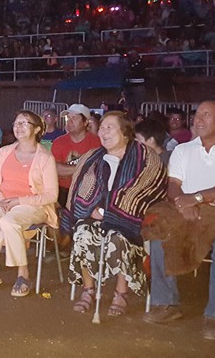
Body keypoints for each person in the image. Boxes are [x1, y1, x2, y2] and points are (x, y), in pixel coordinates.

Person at [144, 100, 215, 340]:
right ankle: (166, 304)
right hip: (188, 214)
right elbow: (173, 185)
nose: (198, 119)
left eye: (206, 115)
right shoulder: (183, 150)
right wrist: (182, 204)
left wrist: (196, 199)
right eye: (197, 115)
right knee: (160, 234)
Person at [63, 112, 167, 315]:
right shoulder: (92, 157)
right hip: (95, 216)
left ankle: (121, 293)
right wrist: (91, 209)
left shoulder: (145, 156)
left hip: (131, 218)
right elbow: (80, 189)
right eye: (101, 127)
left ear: (125, 132)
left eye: (109, 127)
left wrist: (114, 211)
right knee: (82, 233)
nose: (103, 131)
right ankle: (88, 289)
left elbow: (146, 188)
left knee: (117, 236)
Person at [0, 110, 59, 295]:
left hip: (32, 205)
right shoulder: (5, 152)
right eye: (16, 123)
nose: (18, 127)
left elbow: (51, 195)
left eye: (24, 123)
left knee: (9, 222)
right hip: (3, 201)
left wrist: (18, 201)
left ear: (36, 129)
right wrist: (0, 200)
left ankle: (23, 273)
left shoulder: (45, 158)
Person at [52, 104, 102, 205]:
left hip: (88, 190)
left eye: (74, 118)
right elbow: (55, 169)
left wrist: (68, 169)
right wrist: (85, 167)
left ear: (85, 122)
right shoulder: (58, 142)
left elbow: (99, 169)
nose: (69, 121)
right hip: (63, 190)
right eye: (68, 118)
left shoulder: (97, 143)